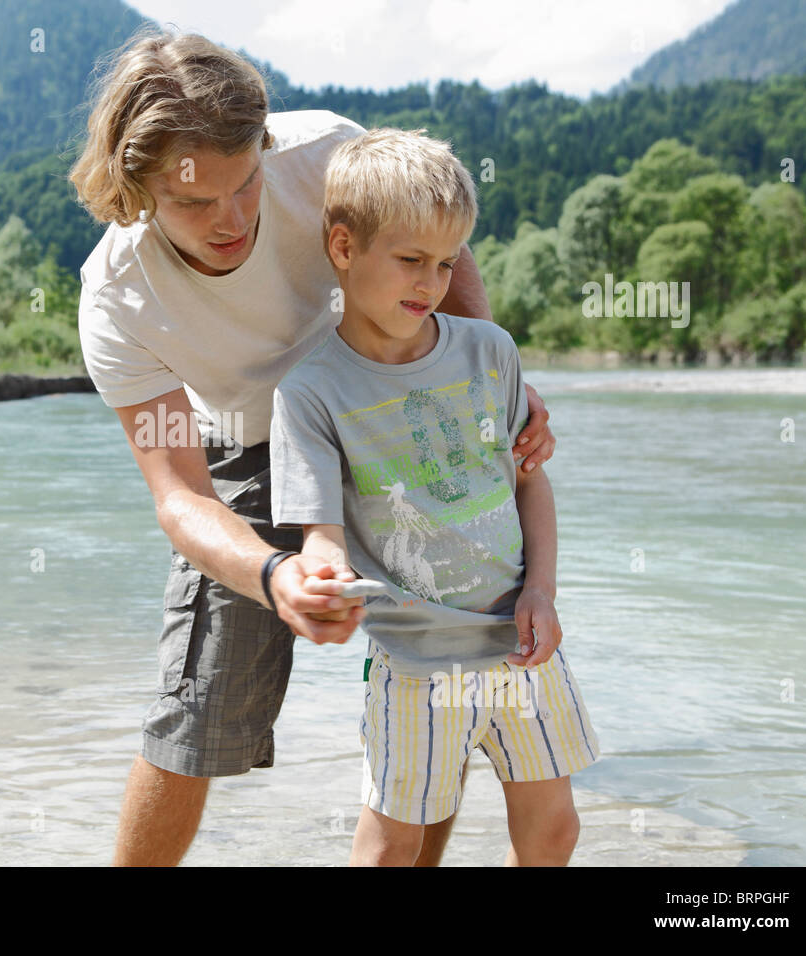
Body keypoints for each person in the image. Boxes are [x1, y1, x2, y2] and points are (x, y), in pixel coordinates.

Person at [69, 27, 557, 866]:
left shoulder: (327, 150)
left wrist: (476, 365)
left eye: (245, 183)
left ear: (264, 147)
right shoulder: (116, 301)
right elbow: (181, 495)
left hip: (401, 413)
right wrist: (272, 572)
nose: (231, 219)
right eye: (193, 202)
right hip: (253, 448)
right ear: (137, 186)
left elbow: (435, 235)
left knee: (455, 657)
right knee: (199, 708)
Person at [270, 127, 599, 866]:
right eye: (411, 259)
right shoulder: (310, 392)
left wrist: (541, 592)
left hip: (522, 644)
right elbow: (320, 535)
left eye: (447, 262)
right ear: (344, 247)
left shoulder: (491, 352)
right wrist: (321, 581)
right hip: (413, 660)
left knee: (555, 831)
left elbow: (529, 484)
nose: (431, 282)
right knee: (393, 847)